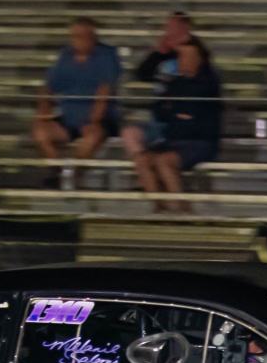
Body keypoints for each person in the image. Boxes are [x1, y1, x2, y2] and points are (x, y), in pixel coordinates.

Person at [130, 39, 222, 213]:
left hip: (199, 142)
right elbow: (161, 111)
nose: (182, 61)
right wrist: (178, 115)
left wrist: (178, 114)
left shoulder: (209, 82)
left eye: (188, 56)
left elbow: (193, 114)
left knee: (163, 161)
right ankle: (160, 208)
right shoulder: (175, 84)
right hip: (174, 140)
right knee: (141, 159)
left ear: (199, 59)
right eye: (181, 56)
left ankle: (182, 210)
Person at [33, 18, 122, 181]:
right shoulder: (66, 56)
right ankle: (56, 170)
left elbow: (105, 91)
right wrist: (43, 114)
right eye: (76, 36)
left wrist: (94, 121)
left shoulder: (107, 55)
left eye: (84, 36)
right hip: (69, 119)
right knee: (41, 131)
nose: (80, 40)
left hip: (100, 119)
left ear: (93, 36)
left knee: (92, 136)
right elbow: (48, 88)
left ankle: (76, 174)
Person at [121, 11, 193, 164]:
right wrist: (158, 52)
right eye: (168, 28)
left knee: (161, 150)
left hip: (182, 124)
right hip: (158, 120)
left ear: (185, 30)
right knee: (129, 133)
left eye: (173, 28)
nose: (168, 33)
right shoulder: (162, 55)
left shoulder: (194, 55)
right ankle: (144, 175)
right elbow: (141, 74)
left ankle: (149, 177)